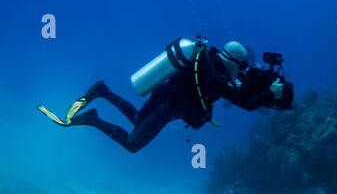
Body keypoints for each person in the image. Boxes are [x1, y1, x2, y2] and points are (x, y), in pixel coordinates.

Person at [38, 39, 293, 152]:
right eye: (242, 64)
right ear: (234, 61)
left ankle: (103, 91)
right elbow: (247, 104)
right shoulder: (216, 77)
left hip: (164, 94)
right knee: (132, 144)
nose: (243, 69)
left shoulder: (206, 60)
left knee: (138, 117)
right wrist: (268, 93)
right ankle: (93, 118)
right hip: (169, 107)